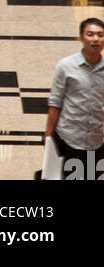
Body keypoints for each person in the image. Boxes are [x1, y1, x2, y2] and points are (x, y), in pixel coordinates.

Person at [45, 17, 104, 180]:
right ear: (80, 38)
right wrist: (48, 135)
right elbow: (55, 102)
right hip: (69, 139)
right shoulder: (65, 66)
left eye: (100, 35)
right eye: (90, 34)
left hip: (96, 141)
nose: (96, 39)